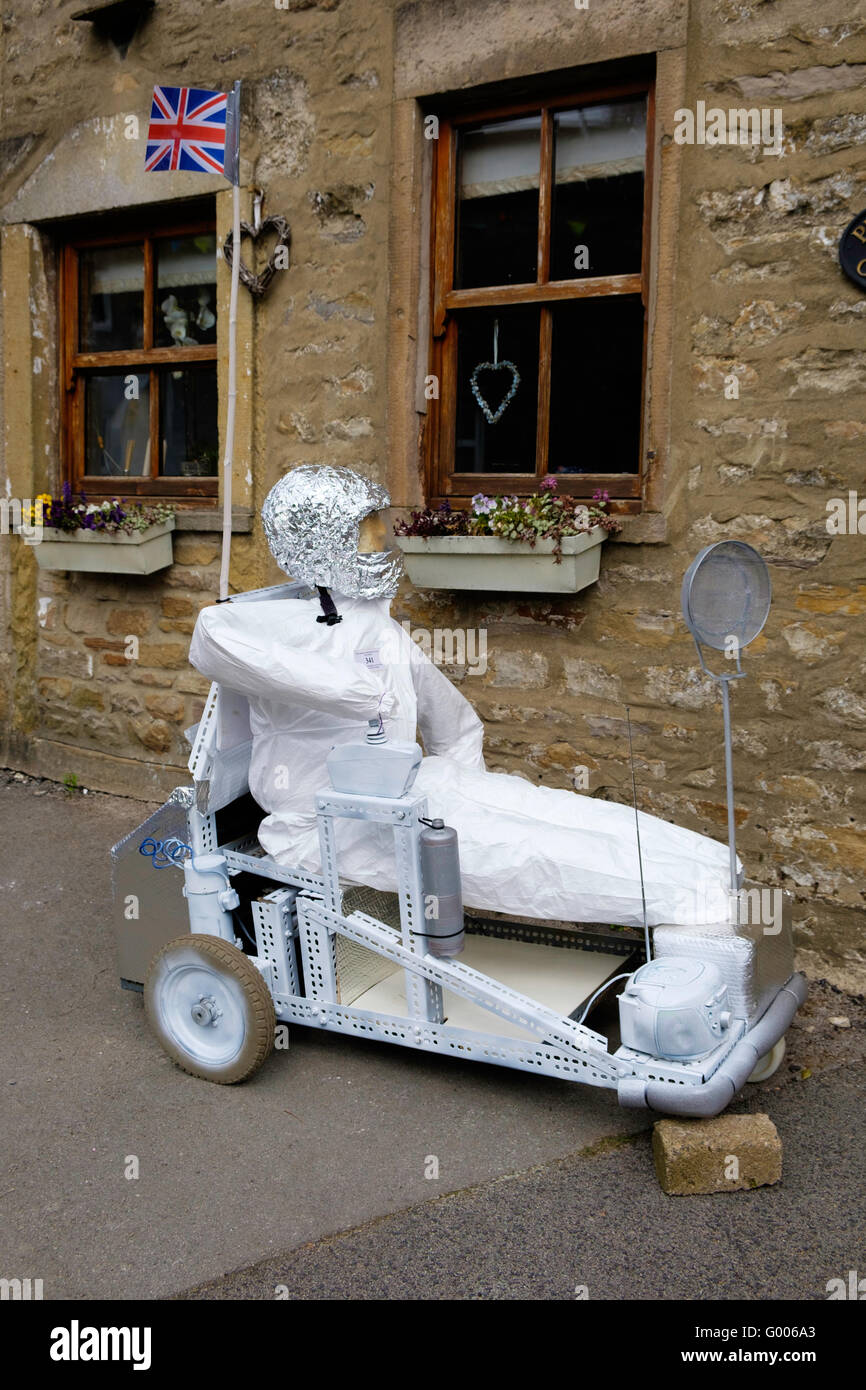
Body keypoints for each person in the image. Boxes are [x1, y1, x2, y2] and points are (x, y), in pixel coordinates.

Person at [189, 465, 737, 928]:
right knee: (533, 855)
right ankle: (701, 900)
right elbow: (211, 637)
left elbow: (455, 724)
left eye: (380, 529)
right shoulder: (269, 625)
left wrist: (467, 791)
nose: (381, 543)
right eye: (366, 533)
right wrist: (352, 693)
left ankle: (712, 867)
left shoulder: (376, 626)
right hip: (330, 827)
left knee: (554, 814)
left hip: (418, 793)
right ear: (321, 546)